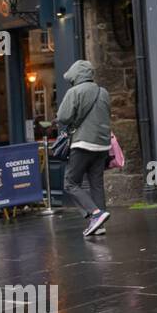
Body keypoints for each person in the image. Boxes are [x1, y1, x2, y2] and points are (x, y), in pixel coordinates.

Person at [56, 60, 112, 238]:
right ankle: (99, 225)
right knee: (96, 184)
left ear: (75, 76)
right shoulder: (103, 92)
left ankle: (95, 214)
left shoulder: (74, 92)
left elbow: (63, 117)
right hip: (103, 144)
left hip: (82, 143)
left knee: (70, 182)